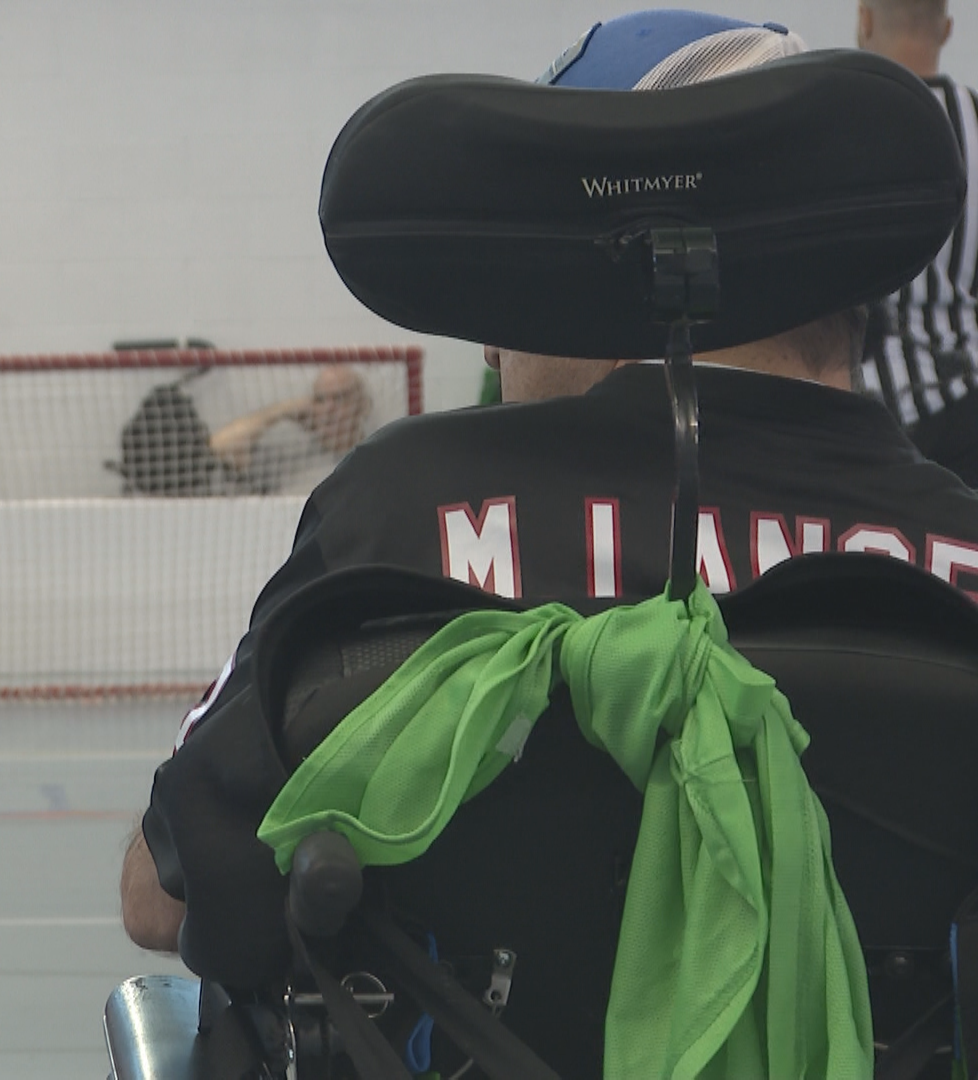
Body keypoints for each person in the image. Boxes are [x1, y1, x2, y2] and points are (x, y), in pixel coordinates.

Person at [121, 9, 978, 955]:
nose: (491, 341)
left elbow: (162, 897)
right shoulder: (960, 546)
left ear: (605, 275)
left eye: (515, 284)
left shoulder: (396, 514)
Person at [856, 0, 978, 484]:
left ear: (864, 19)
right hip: (968, 407)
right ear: (947, 29)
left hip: (878, 420)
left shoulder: (843, 122)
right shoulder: (973, 118)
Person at [207, 365, 369, 493]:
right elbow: (218, 446)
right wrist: (282, 410)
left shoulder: (372, 456)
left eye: (339, 398)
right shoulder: (288, 453)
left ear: (363, 406)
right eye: (320, 400)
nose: (329, 408)